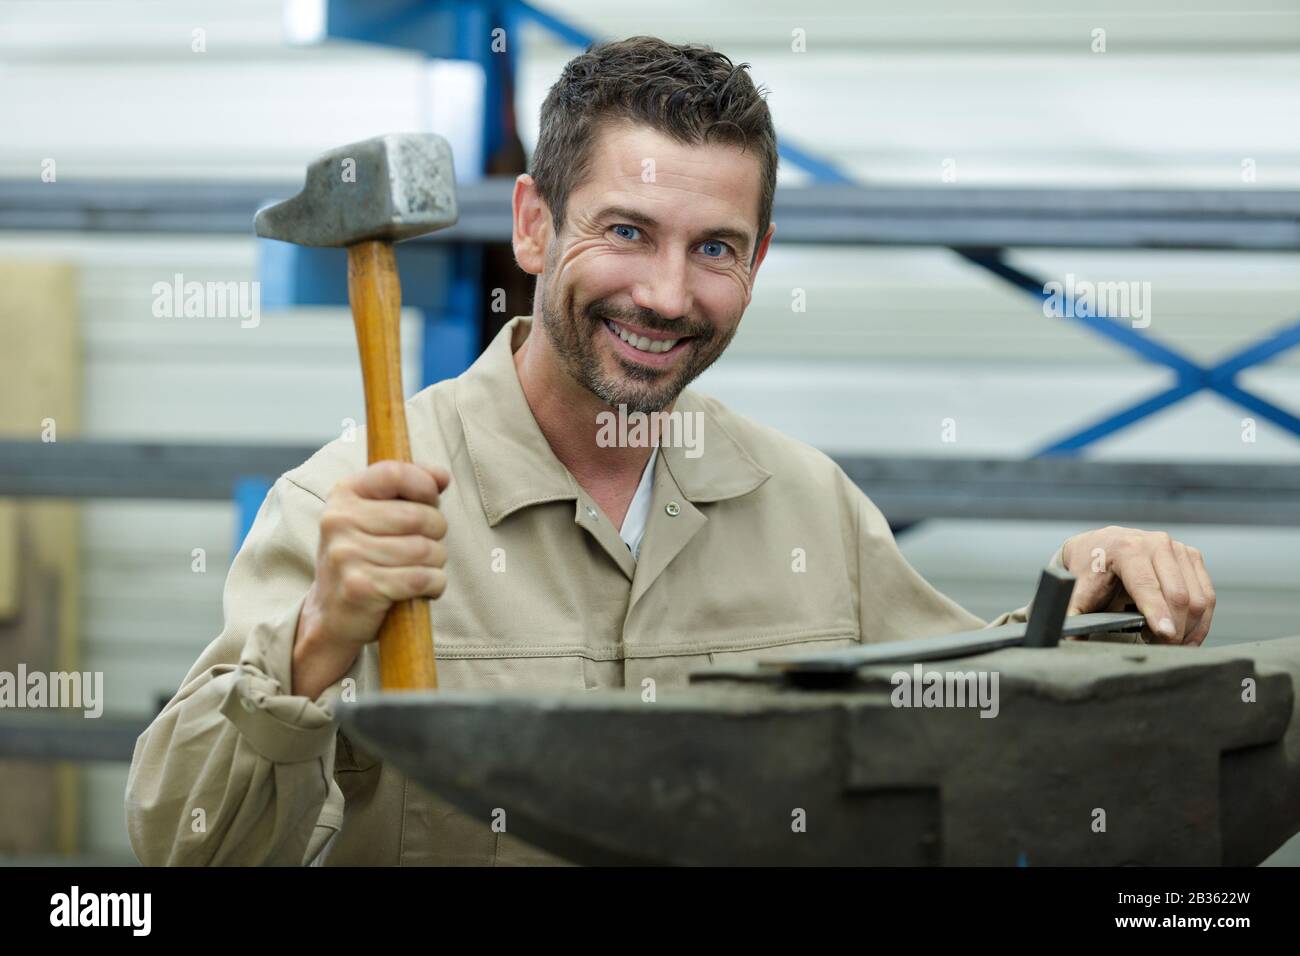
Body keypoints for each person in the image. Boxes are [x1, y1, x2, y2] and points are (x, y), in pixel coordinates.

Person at [126, 36, 1216, 866]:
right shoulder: (346, 506)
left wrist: (1085, 600)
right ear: (534, 225)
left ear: (760, 259)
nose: (665, 293)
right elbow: (187, 847)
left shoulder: (809, 505)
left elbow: (972, 713)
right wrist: (315, 642)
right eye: (627, 231)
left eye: (715, 249)